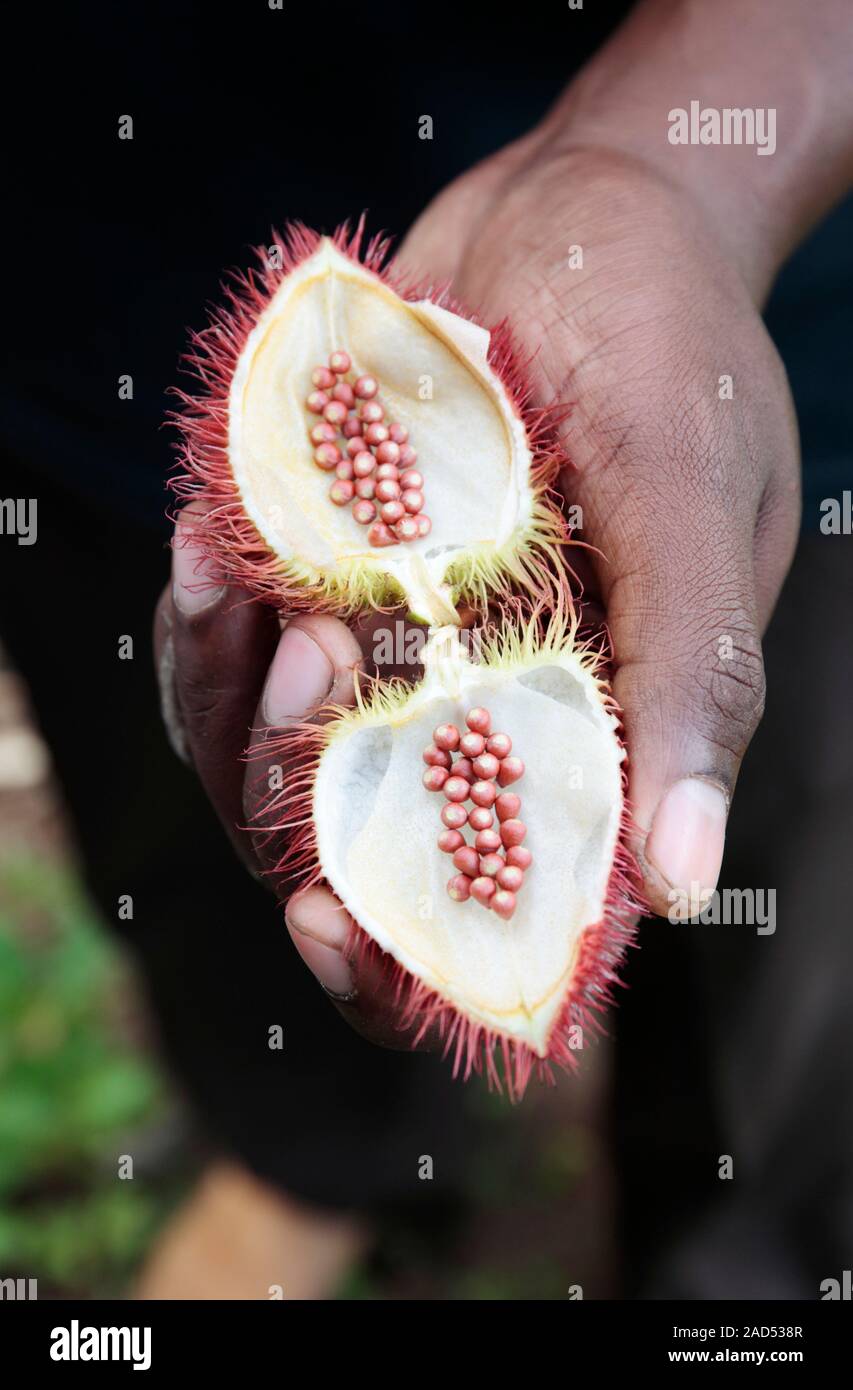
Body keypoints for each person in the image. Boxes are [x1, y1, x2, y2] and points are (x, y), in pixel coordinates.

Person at [4, 0, 852, 1298]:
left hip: (752, 307)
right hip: (87, 251)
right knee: (197, 826)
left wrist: (674, 165)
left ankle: (731, 1256)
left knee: (789, 905)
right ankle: (315, 1161)